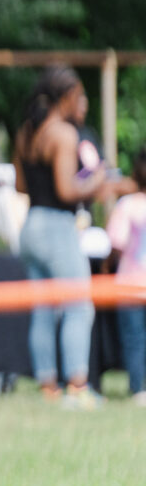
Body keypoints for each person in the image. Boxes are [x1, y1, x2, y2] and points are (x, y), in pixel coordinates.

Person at [14, 66, 113, 407]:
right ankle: (77, 386)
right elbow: (67, 189)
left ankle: (47, 387)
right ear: (67, 96)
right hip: (57, 227)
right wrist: (98, 179)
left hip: (29, 226)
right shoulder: (64, 135)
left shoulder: (27, 132)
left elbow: (19, 186)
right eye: (79, 95)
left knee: (42, 310)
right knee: (78, 305)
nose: (82, 102)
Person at [106, 146, 146, 403]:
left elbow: (116, 244)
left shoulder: (127, 205)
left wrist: (106, 268)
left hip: (130, 283)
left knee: (134, 339)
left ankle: (138, 388)